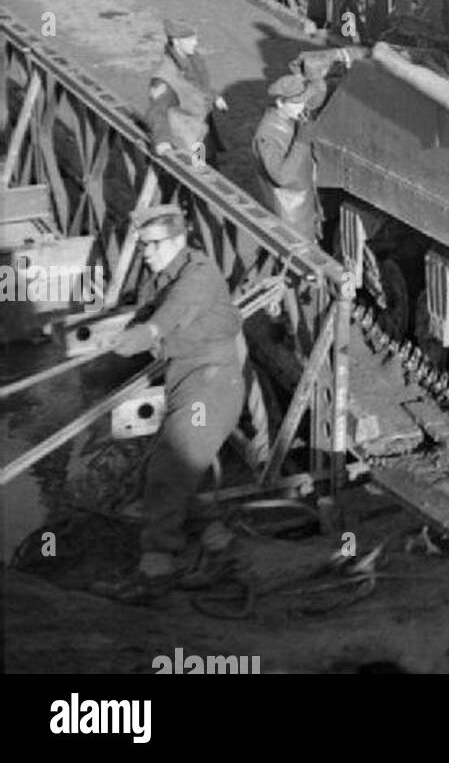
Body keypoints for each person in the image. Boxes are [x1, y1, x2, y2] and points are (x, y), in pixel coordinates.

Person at [100, 203, 246, 600]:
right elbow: (149, 312)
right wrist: (120, 333)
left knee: (168, 468)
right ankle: (219, 547)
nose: (144, 252)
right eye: (141, 244)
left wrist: (141, 337)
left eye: (151, 244)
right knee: (186, 471)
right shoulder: (160, 276)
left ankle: (156, 569)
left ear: (178, 240)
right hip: (187, 383)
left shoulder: (197, 276)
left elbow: (165, 319)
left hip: (210, 389)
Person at [146, 18, 227, 165]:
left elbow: (198, 87)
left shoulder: (192, 59)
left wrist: (214, 97)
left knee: (209, 169)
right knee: (200, 176)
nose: (195, 43)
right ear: (176, 41)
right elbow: (157, 111)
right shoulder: (165, 77)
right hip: (188, 138)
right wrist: (162, 140)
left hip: (200, 130)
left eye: (195, 38)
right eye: (190, 40)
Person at [251, 73, 319, 238]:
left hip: (301, 207)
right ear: (280, 102)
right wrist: (301, 141)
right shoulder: (267, 136)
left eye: (303, 101)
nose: (302, 107)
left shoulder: (291, 118)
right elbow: (281, 177)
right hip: (289, 218)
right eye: (296, 102)